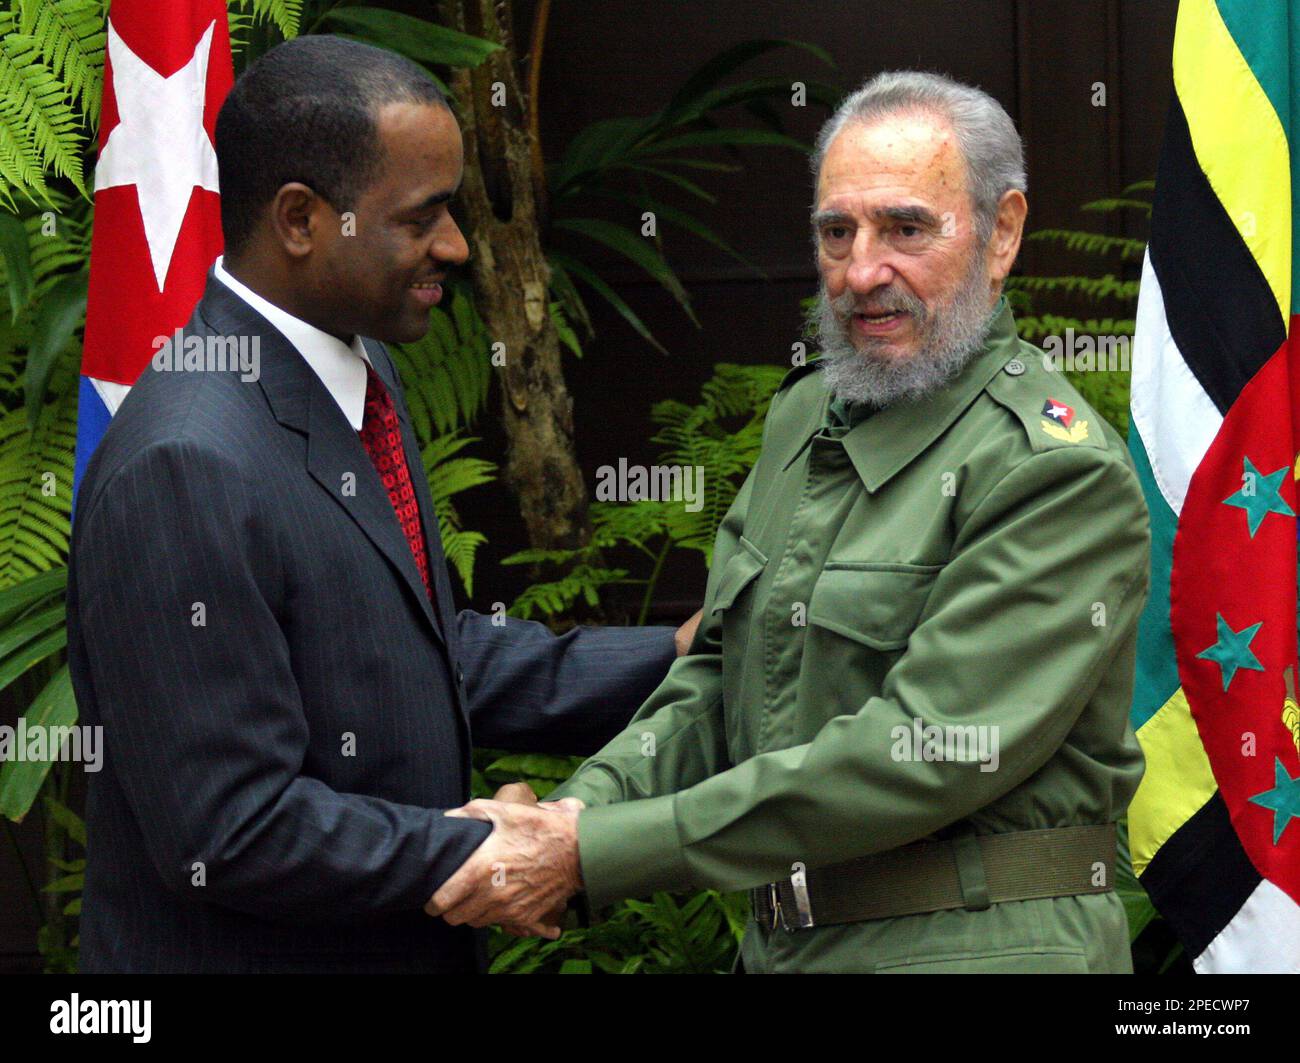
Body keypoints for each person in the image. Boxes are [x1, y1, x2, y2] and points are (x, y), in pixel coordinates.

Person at [430, 70, 1152, 974]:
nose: (861, 272)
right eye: (836, 232)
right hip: (785, 944)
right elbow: (720, 676)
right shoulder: (806, 417)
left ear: (1001, 234)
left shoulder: (1052, 472)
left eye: (905, 228)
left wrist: (591, 853)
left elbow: (911, 752)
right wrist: (576, 813)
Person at [67, 35, 695, 974]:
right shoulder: (184, 463)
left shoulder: (358, 372)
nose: (457, 244)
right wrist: (483, 851)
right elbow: (229, 827)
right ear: (300, 220)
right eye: (425, 215)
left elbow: (427, 652)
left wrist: (678, 655)